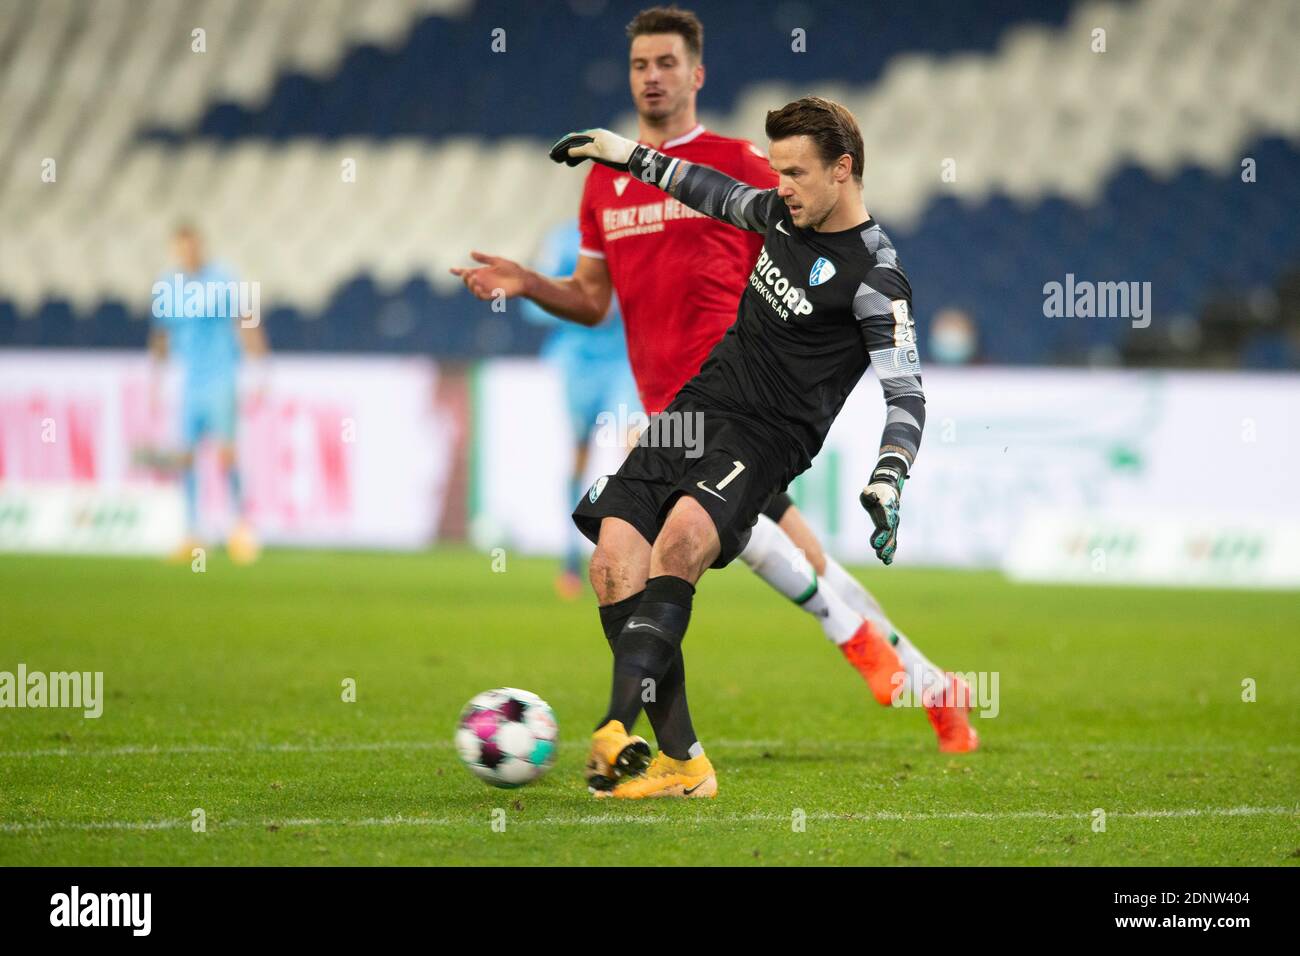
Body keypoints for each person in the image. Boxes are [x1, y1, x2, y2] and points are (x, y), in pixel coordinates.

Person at [451, 8, 976, 778]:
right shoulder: (608, 186)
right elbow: (595, 299)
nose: (652, 77)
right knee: (774, 560)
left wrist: (888, 471)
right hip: (684, 405)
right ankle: (914, 681)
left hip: (754, 416)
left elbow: (898, 378)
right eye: (639, 64)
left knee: (752, 553)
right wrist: (530, 281)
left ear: (697, 74)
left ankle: (902, 681)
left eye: (667, 62)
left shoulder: (757, 169)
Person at [517, 220, 641, 598]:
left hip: (627, 359)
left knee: (635, 449)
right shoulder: (563, 240)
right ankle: (570, 557)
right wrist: (582, 306)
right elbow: (533, 308)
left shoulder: (635, 230)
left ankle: (633, 555)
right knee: (579, 456)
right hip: (578, 363)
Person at [148, 224, 266, 564]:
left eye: (192, 247)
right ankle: (192, 533)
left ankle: (241, 528)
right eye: (181, 248)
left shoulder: (224, 278)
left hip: (221, 377)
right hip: (189, 382)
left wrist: (259, 369)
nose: (188, 254)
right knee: (185, 457)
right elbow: (161, 335)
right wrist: (156, 380)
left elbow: (247, 321)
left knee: (226, 454)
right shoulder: (168, 285)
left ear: (201, 246)